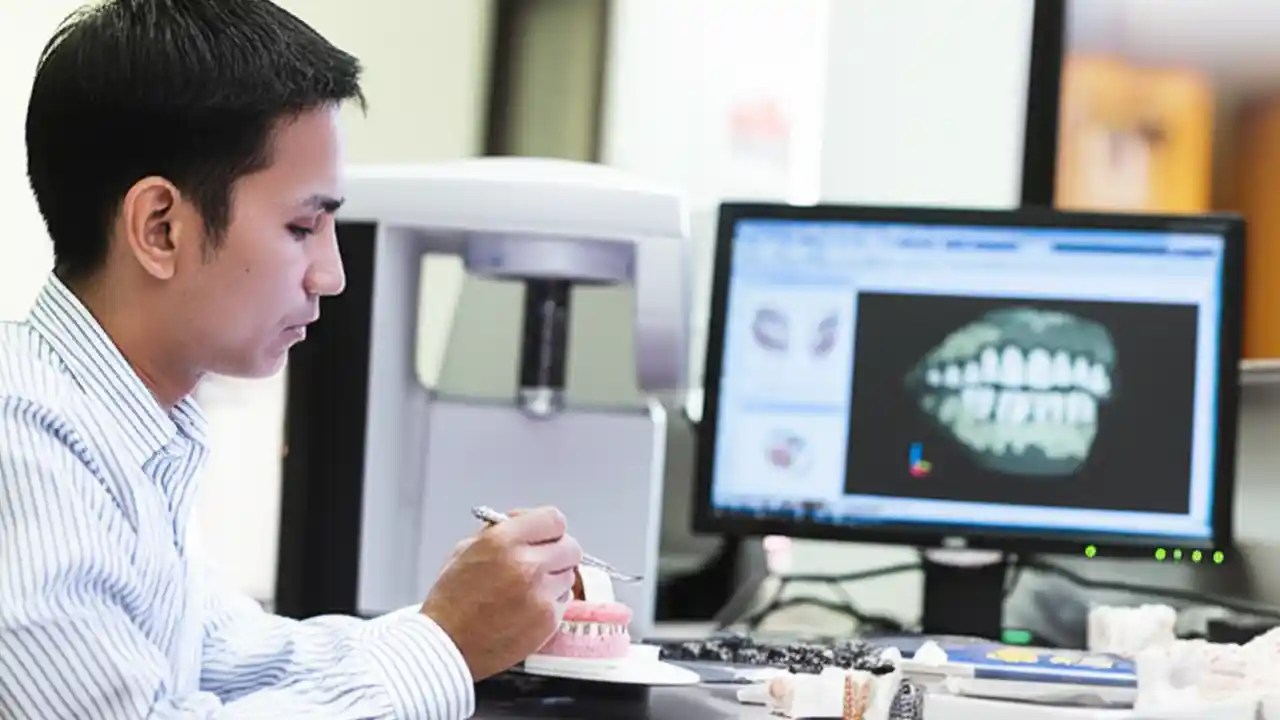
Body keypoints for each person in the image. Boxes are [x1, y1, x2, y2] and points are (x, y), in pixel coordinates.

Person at [0, 1, 584, 718]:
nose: (330, 276)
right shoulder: (23, 442)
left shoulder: (123, 431)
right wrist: (446, 644)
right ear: (160, 228)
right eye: (303, 226)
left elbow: (232, 655)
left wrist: (463, 622)